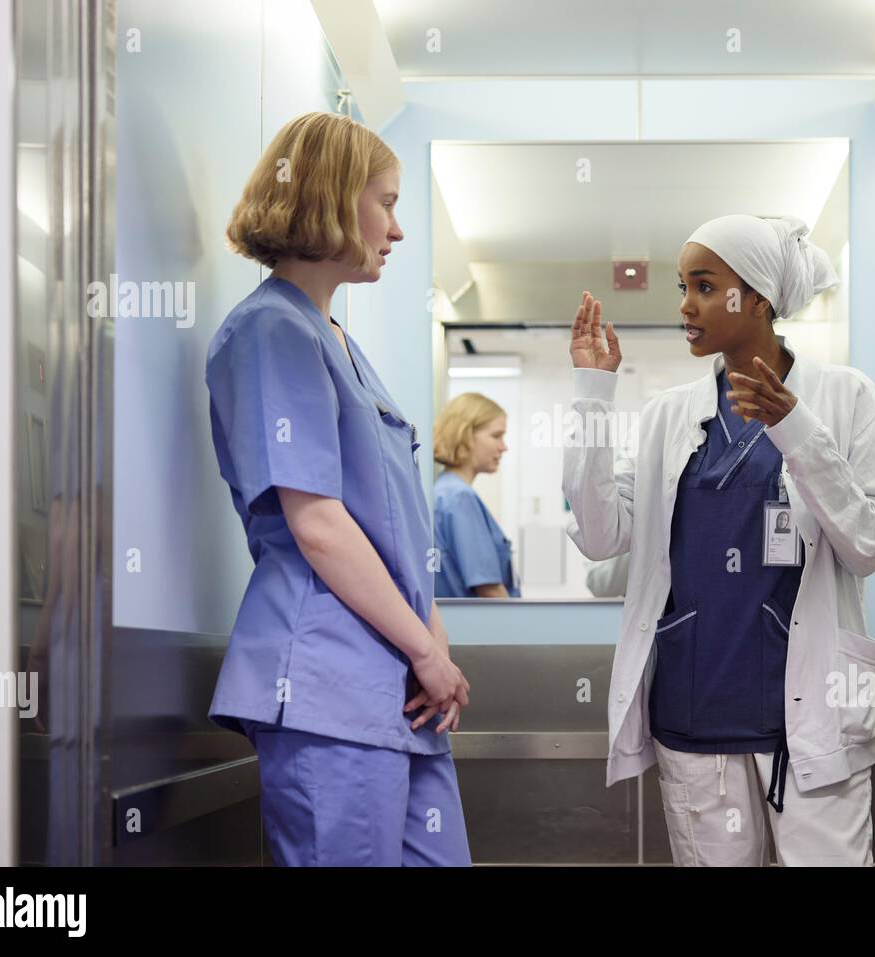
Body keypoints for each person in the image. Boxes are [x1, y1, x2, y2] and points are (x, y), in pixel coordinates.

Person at [563, 214, 875, 866]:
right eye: (681, 286)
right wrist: (591, 394)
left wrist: (798, 430)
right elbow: (599, 534)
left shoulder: (843, 396)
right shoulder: (669, 414)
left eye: (703, 285)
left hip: (813, 728)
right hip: (695, 723)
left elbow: (870, 541)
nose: (685, 305)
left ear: (758, 297)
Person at [204, 111, 471, 866]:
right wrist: (426, 649)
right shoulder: (271, 331)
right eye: (385, 200)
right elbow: (317, 521)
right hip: (330, 682)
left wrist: (433, 651)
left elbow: (394, 533)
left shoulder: (342, 345)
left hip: (398, 685)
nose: (398, 227)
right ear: (330, 196)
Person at [432, 393, 521, 598]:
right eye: (496, 436)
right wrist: (520, 628)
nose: (503, 447)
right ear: (465, 434)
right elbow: (489, 590)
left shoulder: (444, 492)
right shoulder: (458, 498)